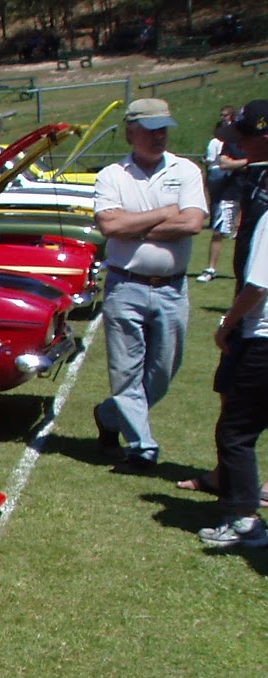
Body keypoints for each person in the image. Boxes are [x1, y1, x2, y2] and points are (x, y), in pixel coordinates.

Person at [90, 98, 207, 473]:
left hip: (172, 288)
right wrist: (165, 213)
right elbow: (110, 226)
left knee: (162, 373)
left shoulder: (185, 171)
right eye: (151, 130)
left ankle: (109, 416)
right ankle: (143, 448)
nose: (159, 136)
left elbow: (192, 223)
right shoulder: (112, 175)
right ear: (130, 132)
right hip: (126, 285)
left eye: (163, 130)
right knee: (126, 371)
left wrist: (134, 225)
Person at [197, 99, 268, 548]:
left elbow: (257, 285)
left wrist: (227, 323)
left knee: (236, 431)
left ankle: (244, 519)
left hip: (260, 335)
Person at [199, 106, 246, 283]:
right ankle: (211, 268)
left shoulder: (260, 141)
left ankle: (247, 271)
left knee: (249, 235)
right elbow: (224, 163)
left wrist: (239, 163)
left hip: (253, 193)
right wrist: (248, 162)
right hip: (232, 192)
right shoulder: (231, 142)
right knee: (219, 231)